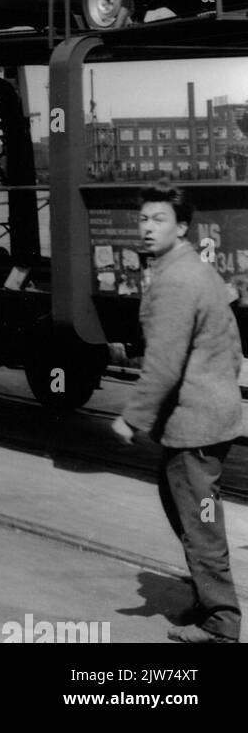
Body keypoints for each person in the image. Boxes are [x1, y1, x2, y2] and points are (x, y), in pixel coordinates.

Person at [112, 183, 243, 644]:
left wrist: (132, 417)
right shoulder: (194, 268)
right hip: (209, 413)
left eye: (159, 219)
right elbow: (230, 343)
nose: (147, 228)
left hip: (195, 424)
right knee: (185, 510)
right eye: (144, 219)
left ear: (182, 226)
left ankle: (222, 622)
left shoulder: (176, 281)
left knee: (199, 520)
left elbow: (163, 364)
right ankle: (210, 599)